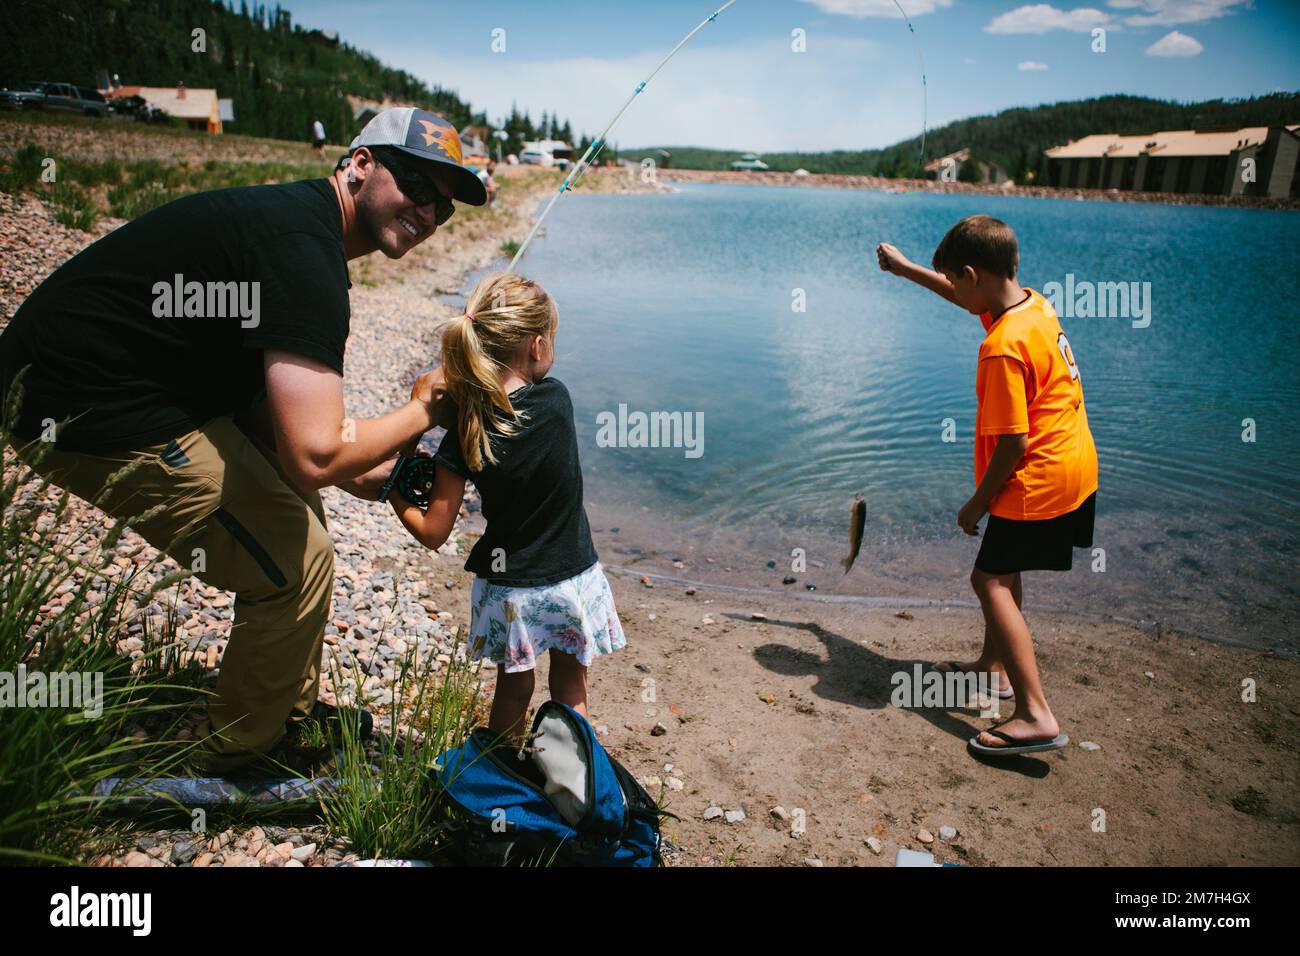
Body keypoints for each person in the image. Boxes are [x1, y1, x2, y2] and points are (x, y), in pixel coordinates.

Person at [0, 107, 488, 773]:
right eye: (419, 186)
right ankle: (237, 758)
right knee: (294, 559)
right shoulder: (304, 257)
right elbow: (316, 454)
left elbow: (280, 427)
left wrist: (400, 475)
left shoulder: (298, 228)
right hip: (78, 401)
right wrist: (427, 406)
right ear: (360, 164)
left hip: (133, 383)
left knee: (290, 506)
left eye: (446, 207)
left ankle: (286, 709)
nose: (430, 214)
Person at [876, 215, 1098, 756]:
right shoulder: (1032, 306)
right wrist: (908, 271)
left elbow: (1013, 444)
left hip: (1035, 480)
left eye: (954, 280)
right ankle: (993, 671)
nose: (953, 289)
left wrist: (976, 503)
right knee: (1005, 568)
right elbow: (968, 298)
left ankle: (1036, 715)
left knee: (989, 581)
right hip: (1075, 466)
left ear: (973, 275)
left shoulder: (1000, 347)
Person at [387, 272, 625, 744]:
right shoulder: (557, 401)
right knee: (571, 693)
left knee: (512, 693)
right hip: (572, 578)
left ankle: (500, 780)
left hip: (512, 591)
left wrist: (396, 481)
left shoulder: (464, 429)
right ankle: (573, 785)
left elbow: (434, 532)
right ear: (536, 347)